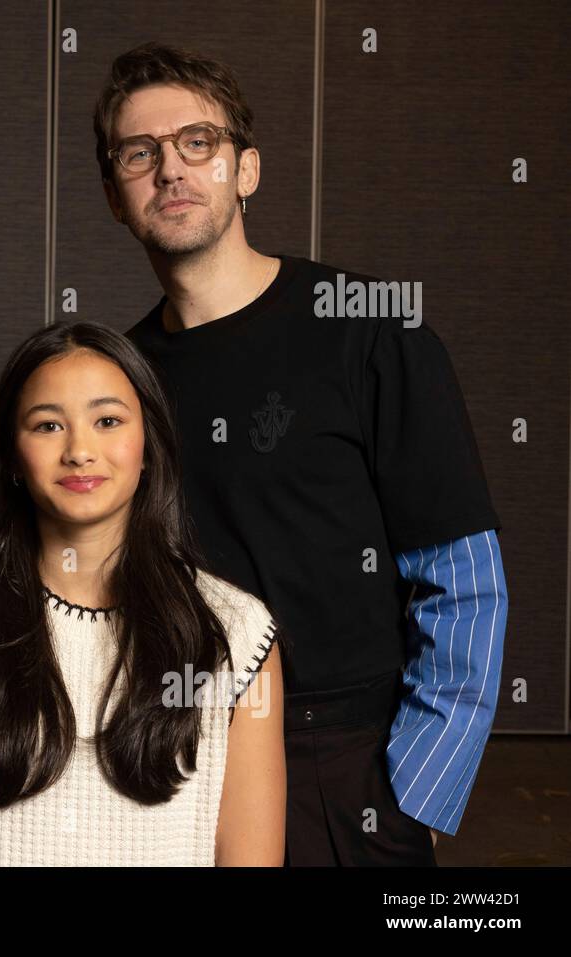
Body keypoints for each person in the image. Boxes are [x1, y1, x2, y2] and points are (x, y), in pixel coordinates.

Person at [94, 42, 508, 864]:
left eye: (198, 143)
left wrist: (413, 791)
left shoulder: (370, 332)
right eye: (141, 153)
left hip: (347, 764)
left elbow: (464, 579)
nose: (171, 168)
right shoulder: (117, 381)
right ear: (115, 194)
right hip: (181, 755)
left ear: (246, 169)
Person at [0, 321, 286, 866]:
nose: (80, 451)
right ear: (10, 458)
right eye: (48, 425)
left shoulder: (235, 634)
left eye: (107, 421)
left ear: (147, 445)